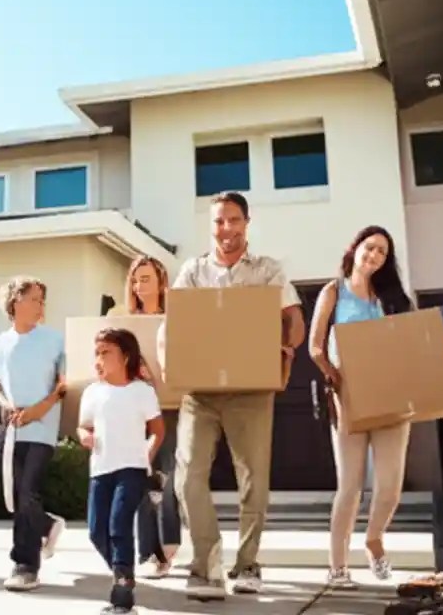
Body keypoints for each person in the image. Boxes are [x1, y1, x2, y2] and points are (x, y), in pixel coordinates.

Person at [170, 191, 305, 600]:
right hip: (201, 390)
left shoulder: (267, 271)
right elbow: (175, 322)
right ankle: (205, 563)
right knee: (188, 475)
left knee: (254, 479)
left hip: (250, 388)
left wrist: (284, 348)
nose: (225, 228)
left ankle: (247, 563)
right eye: (218, 221)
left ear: (247, 222)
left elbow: (293, 321)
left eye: (233, 220)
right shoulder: (192, 272)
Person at [307, 225, 415, 588]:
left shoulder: (394, 297)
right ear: (355, 249)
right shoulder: (333, 291)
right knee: (350, 486)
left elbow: (412, 343)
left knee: (389, 487)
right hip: (348, 396)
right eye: (370, 247)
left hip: (391, 397)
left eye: (382, 252)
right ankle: (338, 566)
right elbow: (316, 346)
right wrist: (334, 377)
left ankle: (373, 538)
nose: (374, 256)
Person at [0, 275, 68, 592]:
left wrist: (38, 410)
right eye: (35, 299)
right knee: (17, 495)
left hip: (41, 426)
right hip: (10, 428)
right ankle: (47, 524)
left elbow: (63, 384)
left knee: (28, 491)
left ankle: (25, 565)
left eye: (42, 300)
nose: (41, 305)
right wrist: (8, 405)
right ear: (15, 302)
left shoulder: (54, 340)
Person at [78, 327, 166, 614]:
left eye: (106, 352)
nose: (99, 359)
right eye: (97, 353)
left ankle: (123, 595)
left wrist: (148, 453)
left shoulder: (142, 392)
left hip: (132, 469)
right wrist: (84, 436)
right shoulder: (92, 392)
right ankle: (122, 571)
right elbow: (84, 425)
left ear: (125, 356)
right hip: (100, 469)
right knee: (95, 531)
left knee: (118, 525)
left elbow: (157, 431)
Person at [117, 256, 183, 579]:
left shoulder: (176, 319)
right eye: (135, 280)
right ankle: (149, 553)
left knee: (166, 479)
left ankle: (169, 544)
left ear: (160, 281)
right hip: (135, 413)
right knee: (141, 480)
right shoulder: (124, 325)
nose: (140, 285)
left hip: (170, 410)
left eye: (146, 278)